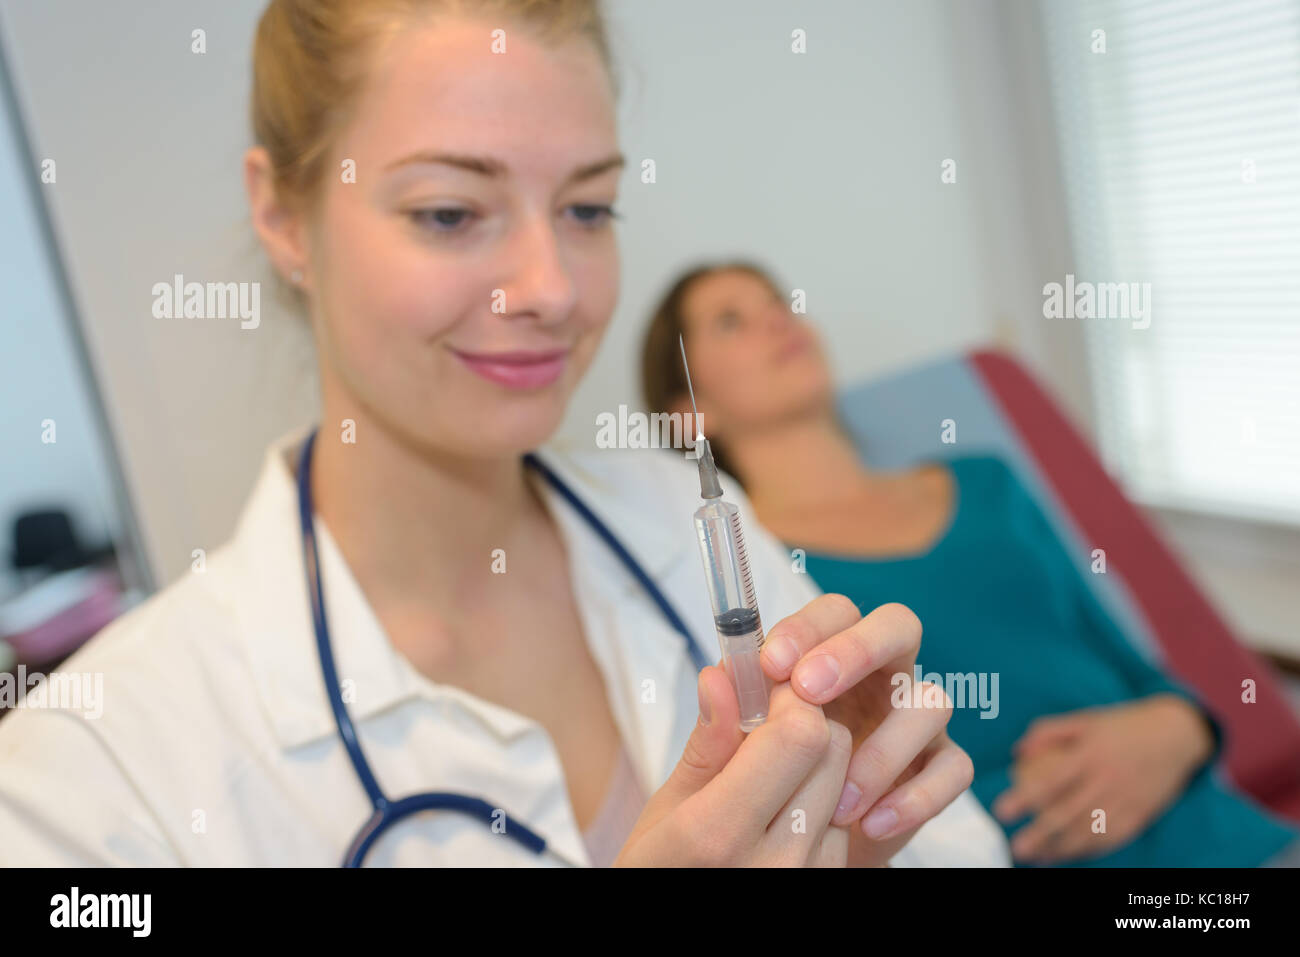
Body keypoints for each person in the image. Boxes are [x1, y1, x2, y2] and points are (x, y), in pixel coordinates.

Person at [0, 0, 1010, 867]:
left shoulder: (681, 516)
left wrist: (874, 838)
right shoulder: (89, 776)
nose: (553, 289)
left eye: (587, 207)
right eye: (449, 212)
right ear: (281, 214)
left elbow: (966, 850)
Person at [638, 259, 1300, 867]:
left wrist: (1179, 729)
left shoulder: (988, 482)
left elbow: (1133, 662)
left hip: (1226, 836)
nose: (779, 318)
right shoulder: (752, 577)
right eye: (732, 321)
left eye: (778, 300)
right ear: (691, 412)